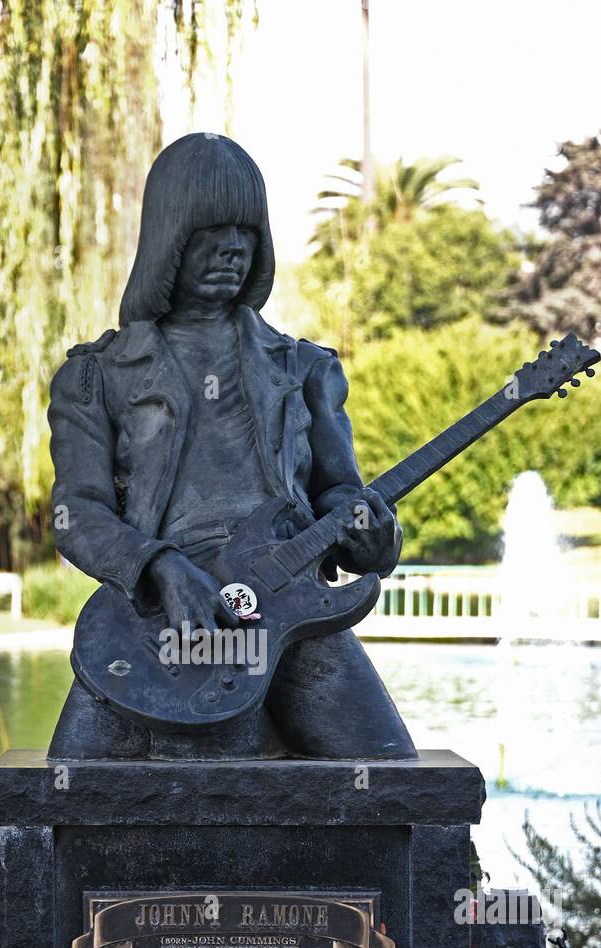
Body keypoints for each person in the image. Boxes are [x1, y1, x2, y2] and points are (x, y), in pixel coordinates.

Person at [48, 132, 415, 761]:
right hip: (153, 623)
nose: (232, 248)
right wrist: (161, 566)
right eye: (211, 228)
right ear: (170, 237)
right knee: (54, 806)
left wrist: (374, 538)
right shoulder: (96, 375)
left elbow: (341, 492)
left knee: (401, 789)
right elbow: (76, 513)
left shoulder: (305, 369)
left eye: (246, 229)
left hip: (291, 613)